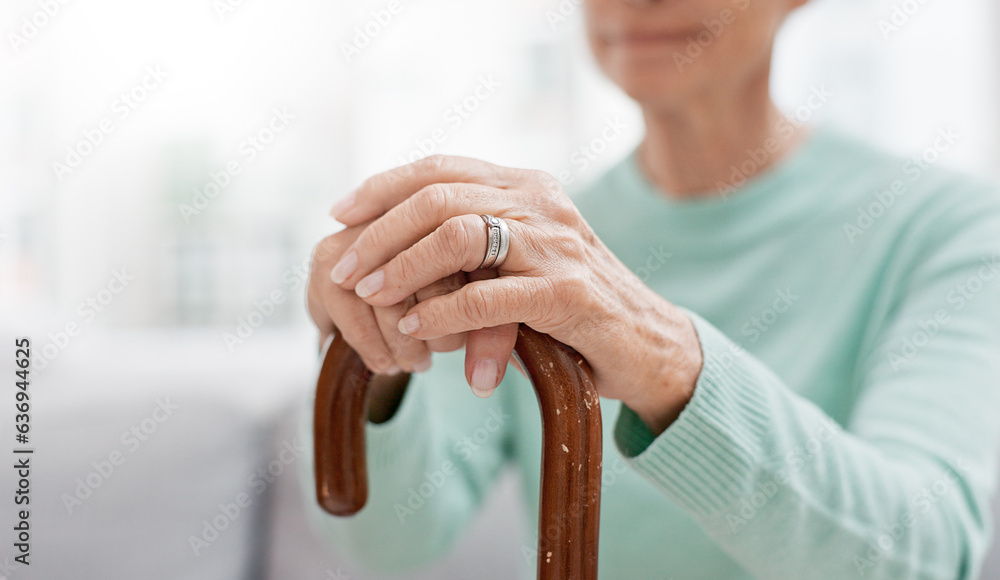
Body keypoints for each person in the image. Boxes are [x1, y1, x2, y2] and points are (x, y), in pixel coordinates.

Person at [303, 0, 1000, 577]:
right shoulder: (534, 253)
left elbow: (924, 556)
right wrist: (371, 353)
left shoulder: (947, 229)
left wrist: (664, 361)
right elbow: (387, 542)